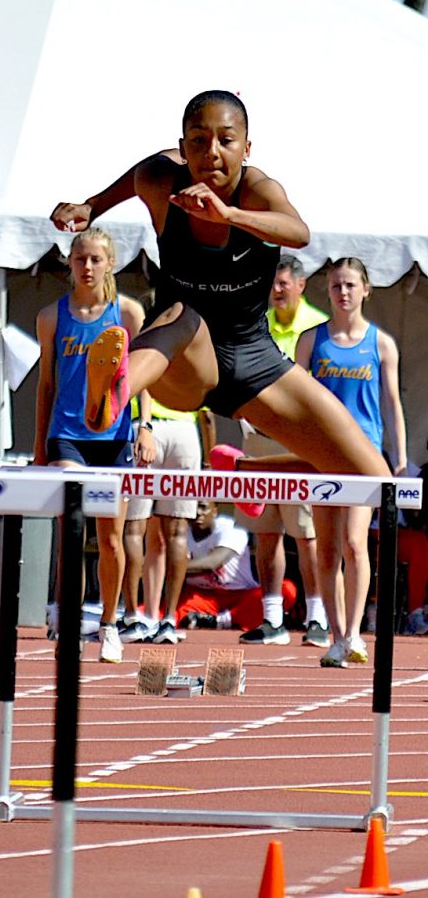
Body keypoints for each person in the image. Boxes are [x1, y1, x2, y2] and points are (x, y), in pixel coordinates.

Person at [49, 90, 389, 489]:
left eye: (225, 141)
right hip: (183, 362)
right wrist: (92, 206)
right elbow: (140, 175)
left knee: (377, 481)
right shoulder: (161, 181)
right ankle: (116, 391)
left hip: (252, 357)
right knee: (185, 316)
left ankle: (242, 471)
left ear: (246, 148)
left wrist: (230, 215)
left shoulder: (258, 190)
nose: (211, 152)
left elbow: (299, 233)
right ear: (182, 149)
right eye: (198, 140)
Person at [34, 227, 146, 663]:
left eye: (96, 259)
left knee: (111, 538)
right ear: (70, 263)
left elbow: (142, 375)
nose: (87, 267)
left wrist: (146, 425)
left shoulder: (128, 314)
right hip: (68, 435)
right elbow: (46, 384)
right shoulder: (51, 317)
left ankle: (109, 623)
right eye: (80, 259)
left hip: (114, 435)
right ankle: (68, 616)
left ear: (110, 264)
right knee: (72, 530)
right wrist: (40, 446)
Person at [296, 257, 407, 668]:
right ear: (328, 290)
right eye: (336, 286)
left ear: (365, 290)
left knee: (355, 543)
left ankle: (356, 633)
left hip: (364, 455)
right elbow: (298, 400)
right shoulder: (311, 341)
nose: (343, 293)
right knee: (326, 549)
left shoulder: (381, 344)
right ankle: (337, 635)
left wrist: (400, 458)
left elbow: (392, 403)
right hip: (322, 454)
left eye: (350, 286)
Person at [238, 255, 330, 648]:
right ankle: (272, 619)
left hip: (298, 442)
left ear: (301, 285)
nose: (275, 292)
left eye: (282, 284)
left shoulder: (317, 328)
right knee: (266, 533)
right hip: (257, 438)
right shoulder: (258, 322)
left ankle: (317, 618)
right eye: (271, 285)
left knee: (306, 535)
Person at [121, 400, 215, 645]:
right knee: (177, 534)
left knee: (133, 529)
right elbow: (206, 415)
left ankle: (132, 618)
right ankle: (169, 619)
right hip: (185, 432)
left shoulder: (145, 358)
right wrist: (209, 462)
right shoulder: (195, 360)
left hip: (145, 427)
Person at [176, 500, 296, 632]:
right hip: (202, 596)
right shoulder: (179, 531)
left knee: (287, 590)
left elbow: (212, 563)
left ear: (215, 511)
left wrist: (172, 568)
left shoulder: (231, 527)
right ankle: (220, 620)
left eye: (203, 508)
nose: (198, 513)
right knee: (166, 613)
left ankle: (221, 620)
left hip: (241, 596)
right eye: (194, 508)